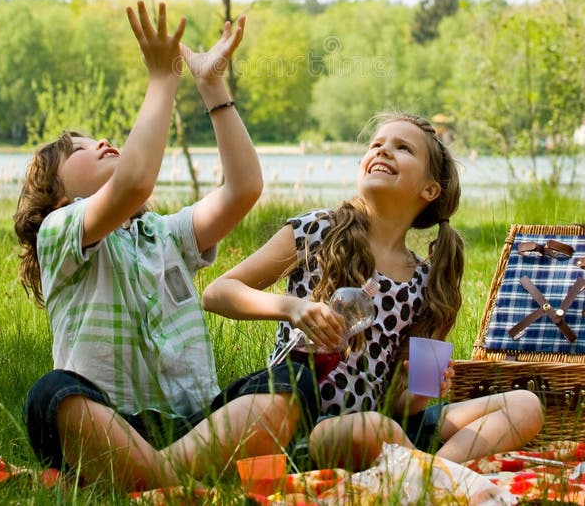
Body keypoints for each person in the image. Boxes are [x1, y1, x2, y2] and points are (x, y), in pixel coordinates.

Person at [13, 1, 317, 491]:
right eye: (81, 148)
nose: (104, 142)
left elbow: (243, 190)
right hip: (110, 423)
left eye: (101, 138)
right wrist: (162, 79)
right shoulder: (60, 233)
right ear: (60, 196)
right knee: (50, 395)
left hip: (195, 425)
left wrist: (212, 87)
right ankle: (178, 481)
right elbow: (133, 182)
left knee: (292, 386)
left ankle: (148, 481)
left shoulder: (165, 233)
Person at [202, 112, 543, 471]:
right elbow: (217, 292)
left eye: (402, 148)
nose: (383, 151)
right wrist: (291, 307)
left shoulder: (429, 281)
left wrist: (420, 392)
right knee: (373, 428)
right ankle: (429, 476)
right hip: (308, 428)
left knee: (524, 405)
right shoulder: (316, 231)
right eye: (375, 145)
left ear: (429, 190)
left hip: (386, 431)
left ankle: (429, 474)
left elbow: (402, 407)